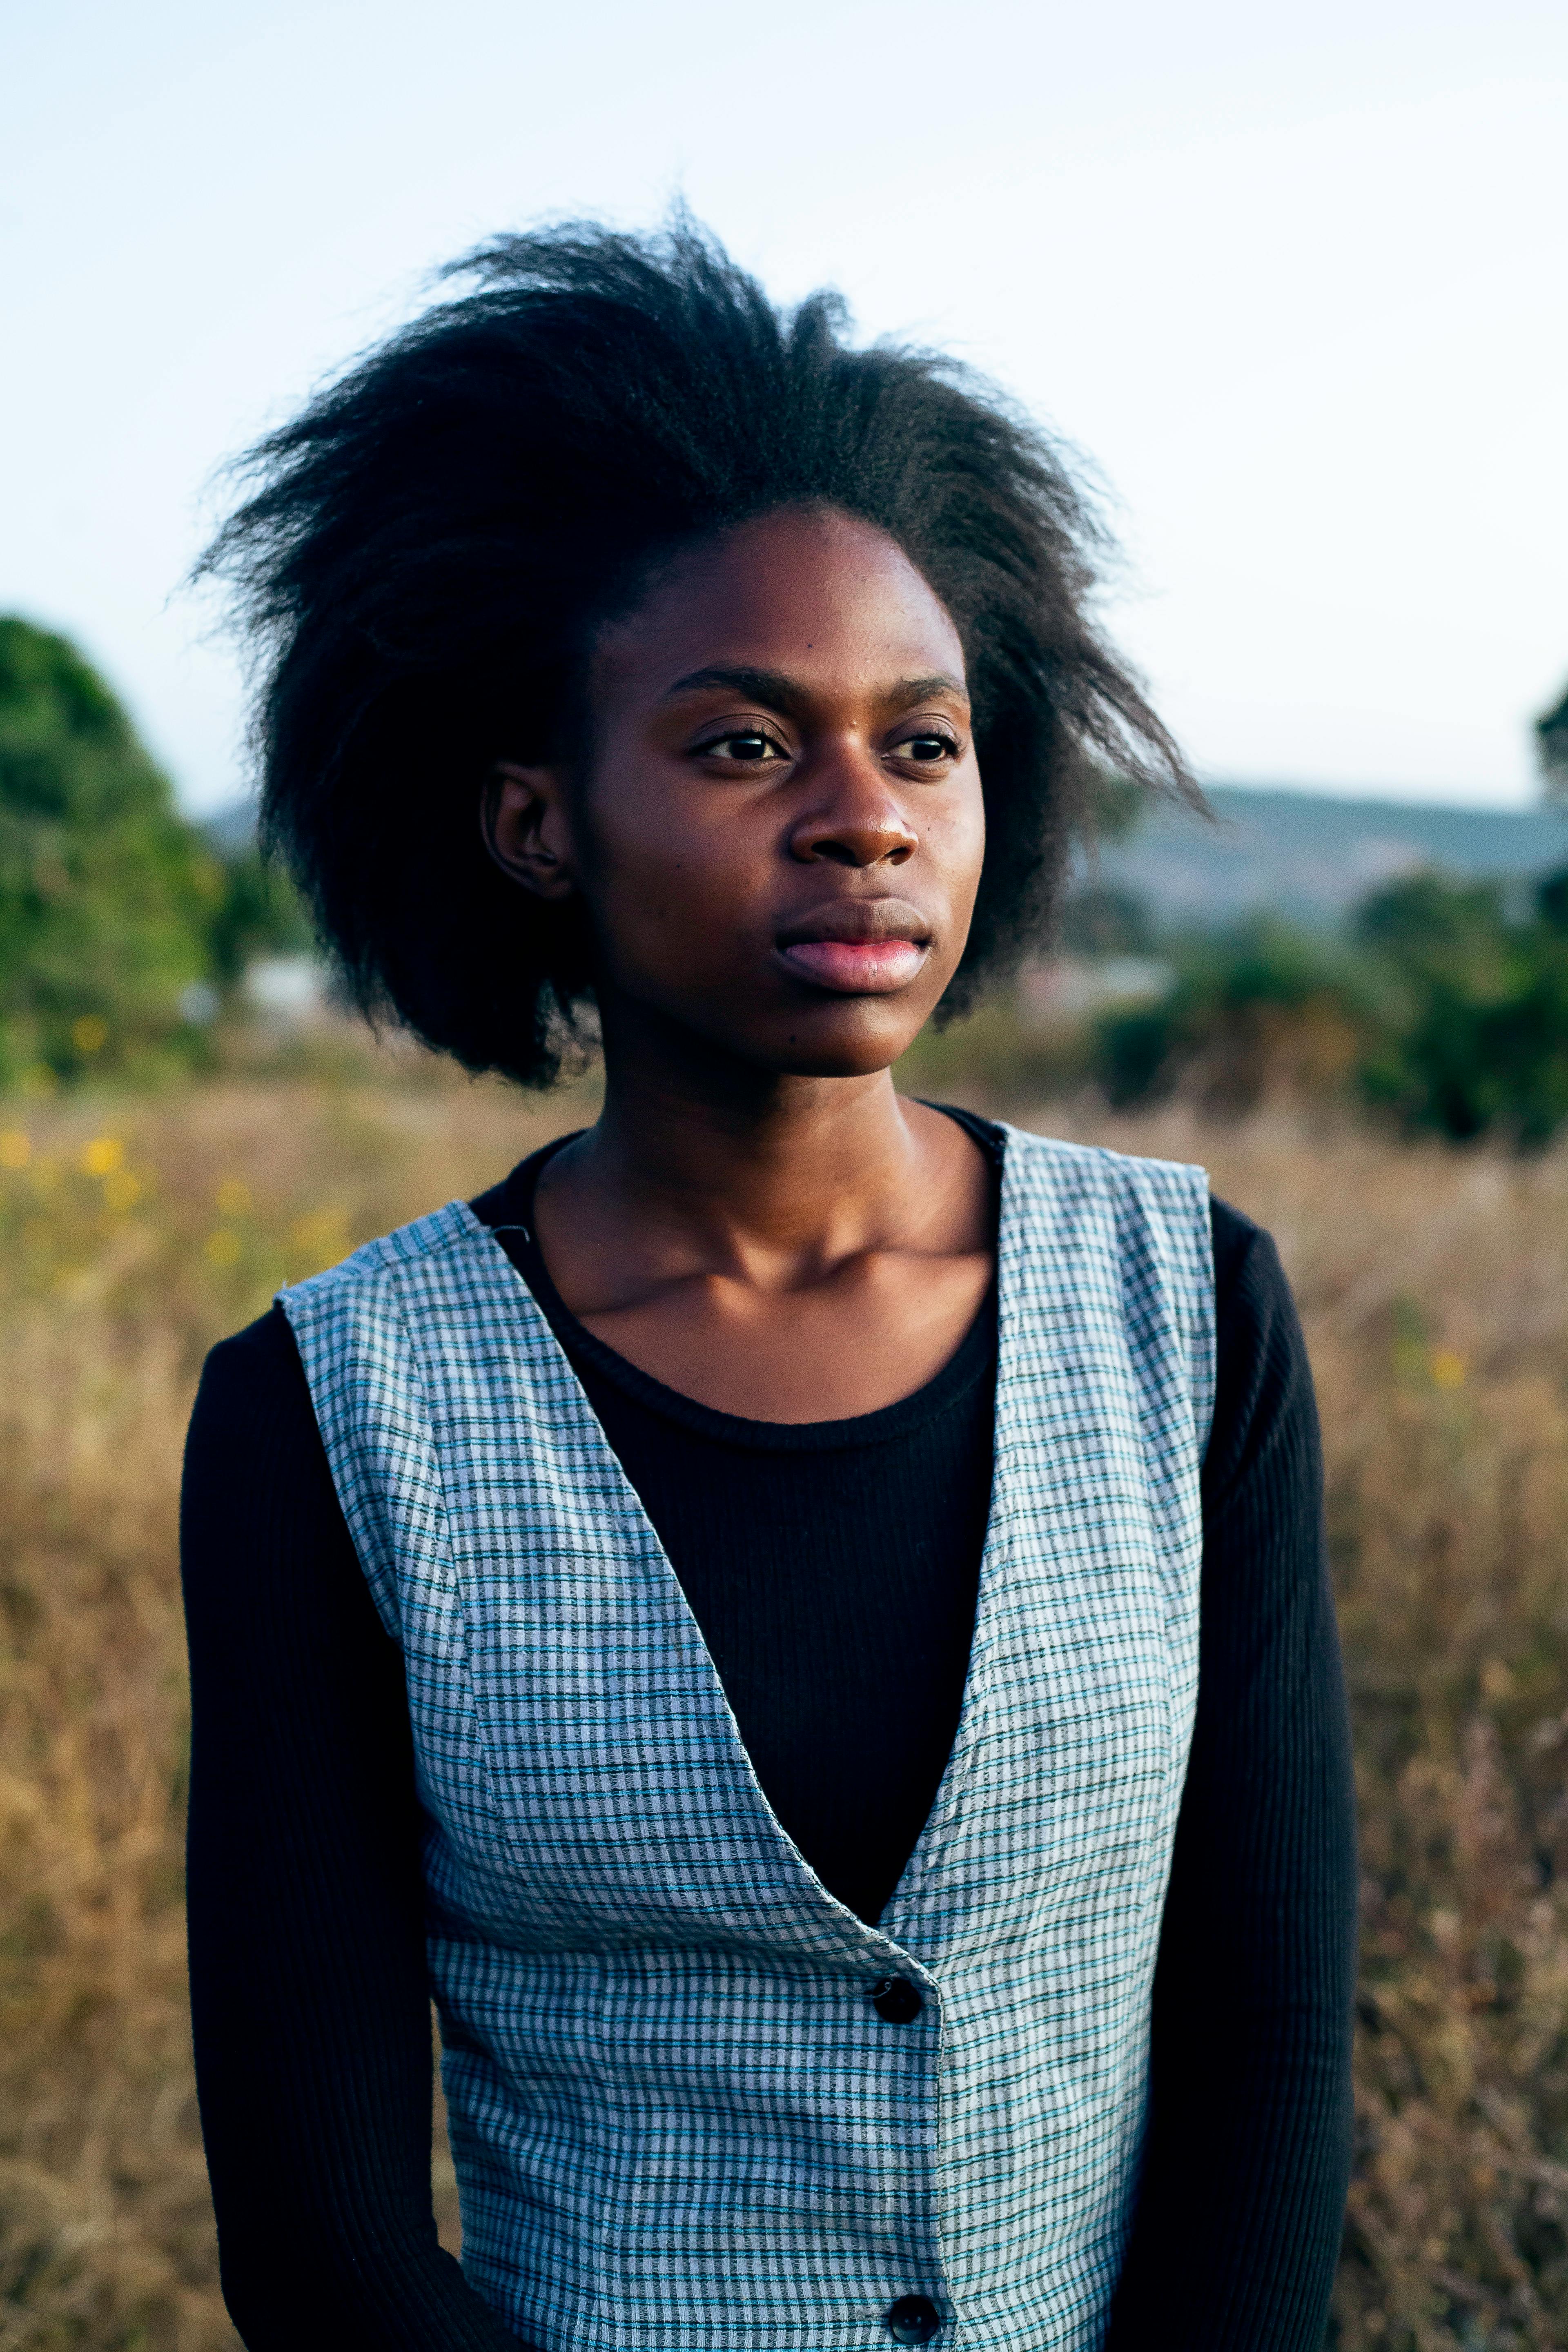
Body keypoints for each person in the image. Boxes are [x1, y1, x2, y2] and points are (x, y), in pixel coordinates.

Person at [180, 220, 1356, 2352]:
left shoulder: (1188, 1316)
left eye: (924, 744)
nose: (864, 822)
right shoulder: (329, 1414)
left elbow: (1267, 2044)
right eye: (743, 747)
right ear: (539, 823)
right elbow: (325, 2242)